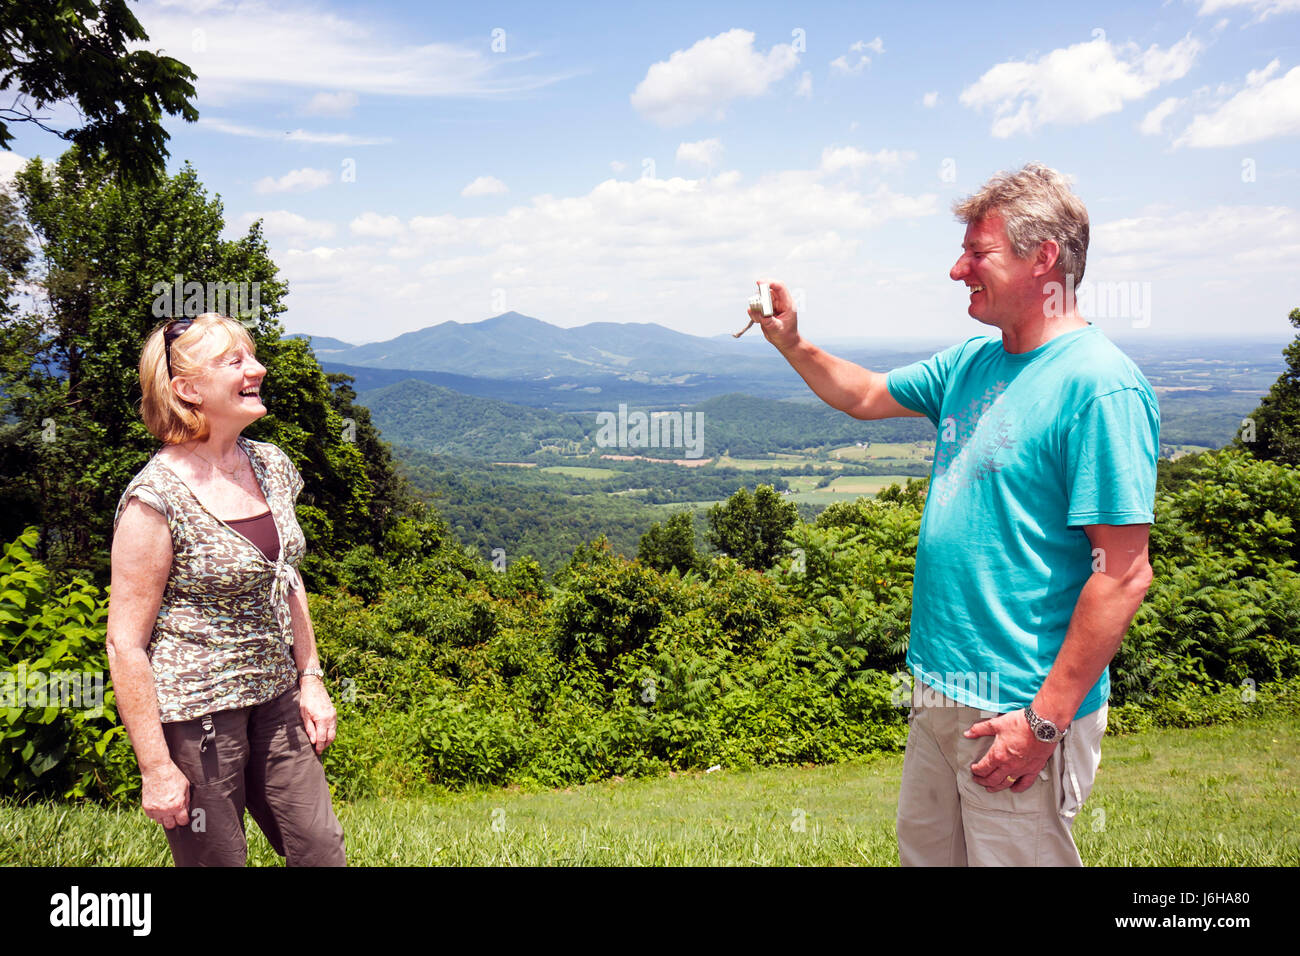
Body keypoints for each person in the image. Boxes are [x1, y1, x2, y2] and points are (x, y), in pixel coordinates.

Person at [752, 163, 1158, 866]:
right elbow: (865, 394)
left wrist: (1043, 723)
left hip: (1016, 706)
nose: (956, 269)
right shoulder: (973, 362)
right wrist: (792, 340)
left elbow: (1122, 575)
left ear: (1043, 258)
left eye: (978, 252)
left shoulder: (1100, 387)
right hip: (939, 687)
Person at [106, 312, 346, 866]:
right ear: (187, 389)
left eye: (253, 356)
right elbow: (125, 643)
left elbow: (286, 575)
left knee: (320, 851)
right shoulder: (155, 498)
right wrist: (156, 767)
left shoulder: (271, 465)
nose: (257, 369)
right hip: (197, 719)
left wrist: (311, 678)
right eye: (234, 361)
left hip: (278, 698)